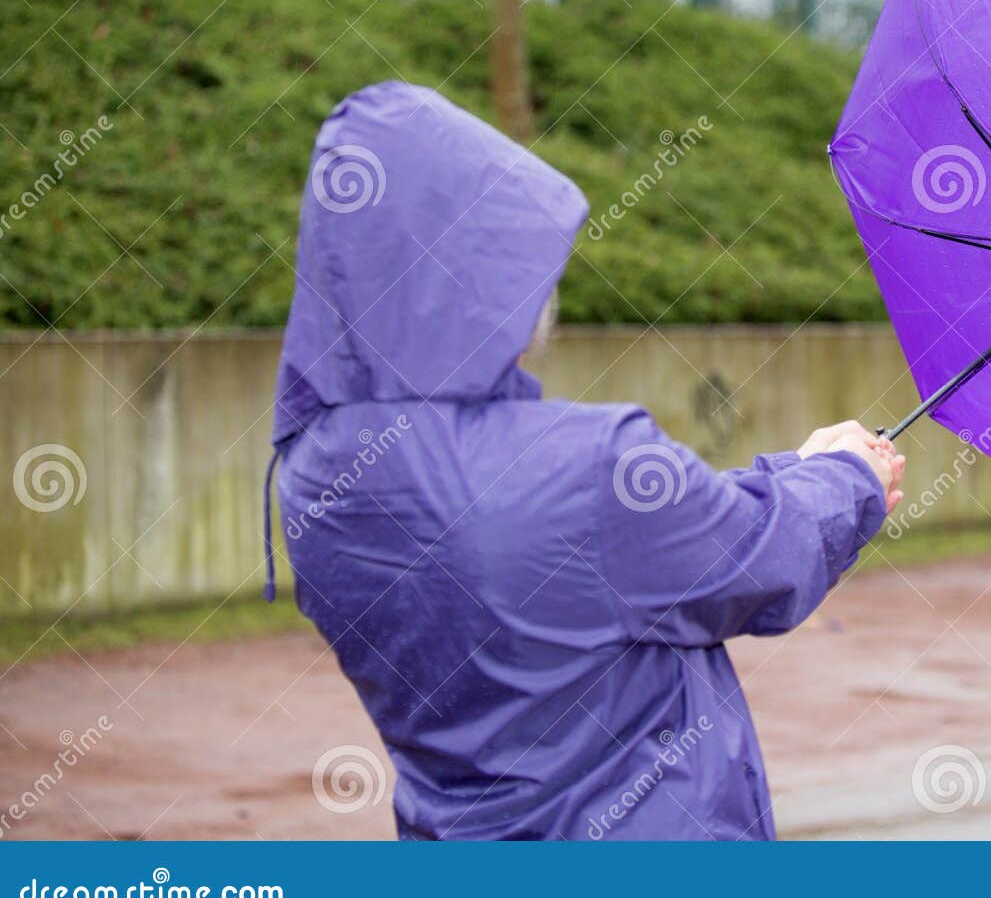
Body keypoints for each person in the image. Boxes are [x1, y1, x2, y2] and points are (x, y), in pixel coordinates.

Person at [266, 81, 905, 840]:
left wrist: (789, 475)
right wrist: (847, 479)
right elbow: (754, 558)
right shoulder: (587, 465)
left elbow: (627, 553)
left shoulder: (314, 476)